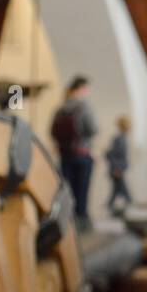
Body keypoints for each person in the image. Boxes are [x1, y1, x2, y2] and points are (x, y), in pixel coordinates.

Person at [51, 76, 99, 231]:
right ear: (81, 88)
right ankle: (82, 222)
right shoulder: (84, 106)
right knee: (82, 190)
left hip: (65, 155)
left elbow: (52, 131)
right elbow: (93, 129)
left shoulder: (61, 108)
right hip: (82, 154)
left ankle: (67, 222)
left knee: (67, 189)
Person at [105, 115, 132, 216]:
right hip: (117, 169)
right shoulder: (119, 139)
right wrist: (117, 168)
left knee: (116, 191)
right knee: (123, 191)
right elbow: (111, 155)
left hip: (119, 168)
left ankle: (111, 208)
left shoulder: (122, 138)